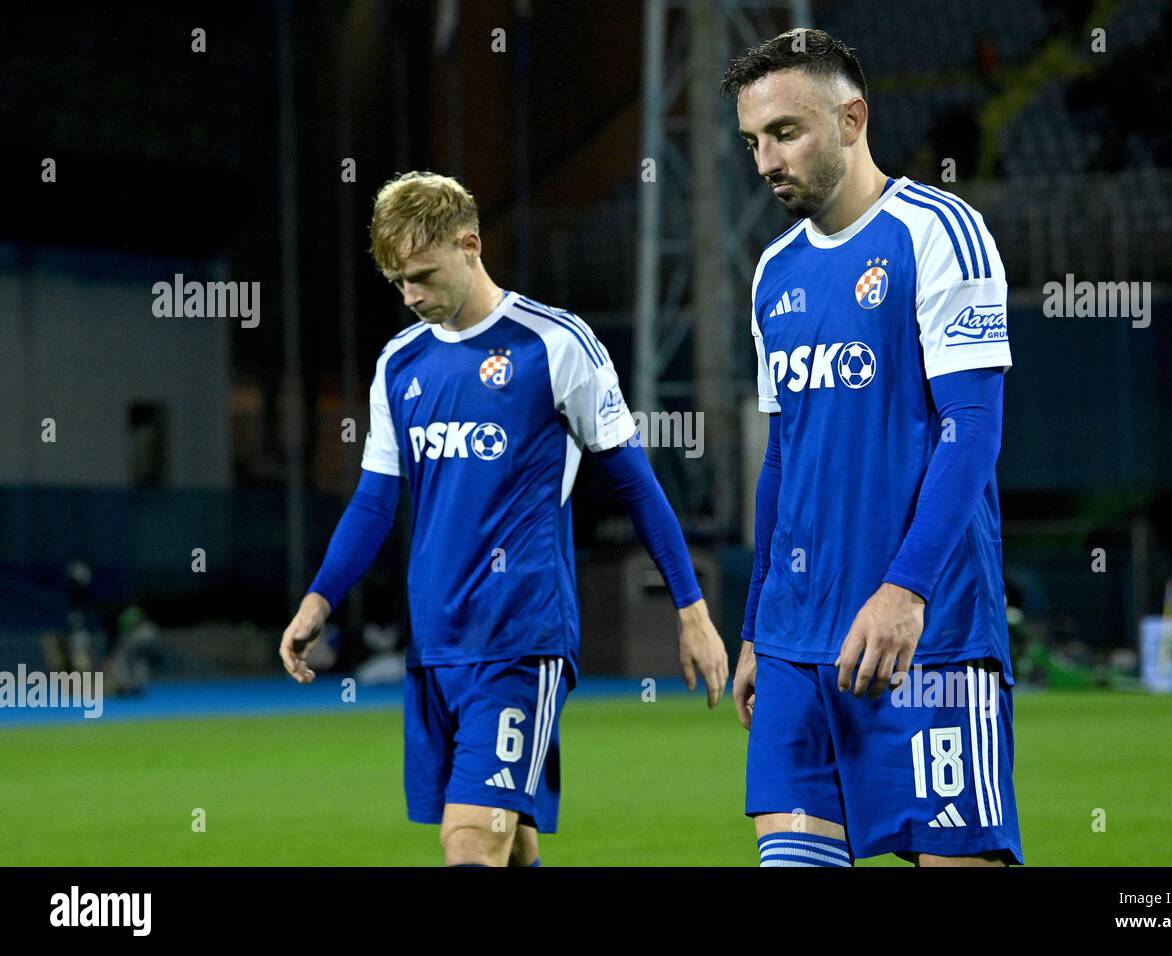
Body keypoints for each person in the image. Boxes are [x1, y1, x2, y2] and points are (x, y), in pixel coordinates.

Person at [279, 172, 728, 867]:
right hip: (436, 643)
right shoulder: (400, 364)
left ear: (471, 244)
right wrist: (319, 599)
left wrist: (691, 610)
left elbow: (636, 484)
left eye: (423, 276)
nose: (410, 296)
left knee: (468, 838)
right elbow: (374, 501)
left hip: (520, 637)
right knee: (512, 841)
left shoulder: (554, 345)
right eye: (398, 281)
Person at [724, 29, 1022, 866]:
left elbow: (972, 431)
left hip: (928, 635)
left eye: (786, 132)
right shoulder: (773, 272)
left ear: (853, 118)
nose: (765, 161)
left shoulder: (939, 232)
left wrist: (905, 590)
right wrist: (755, 628)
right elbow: (781, 464)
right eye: (753, 141)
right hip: (794, 644)